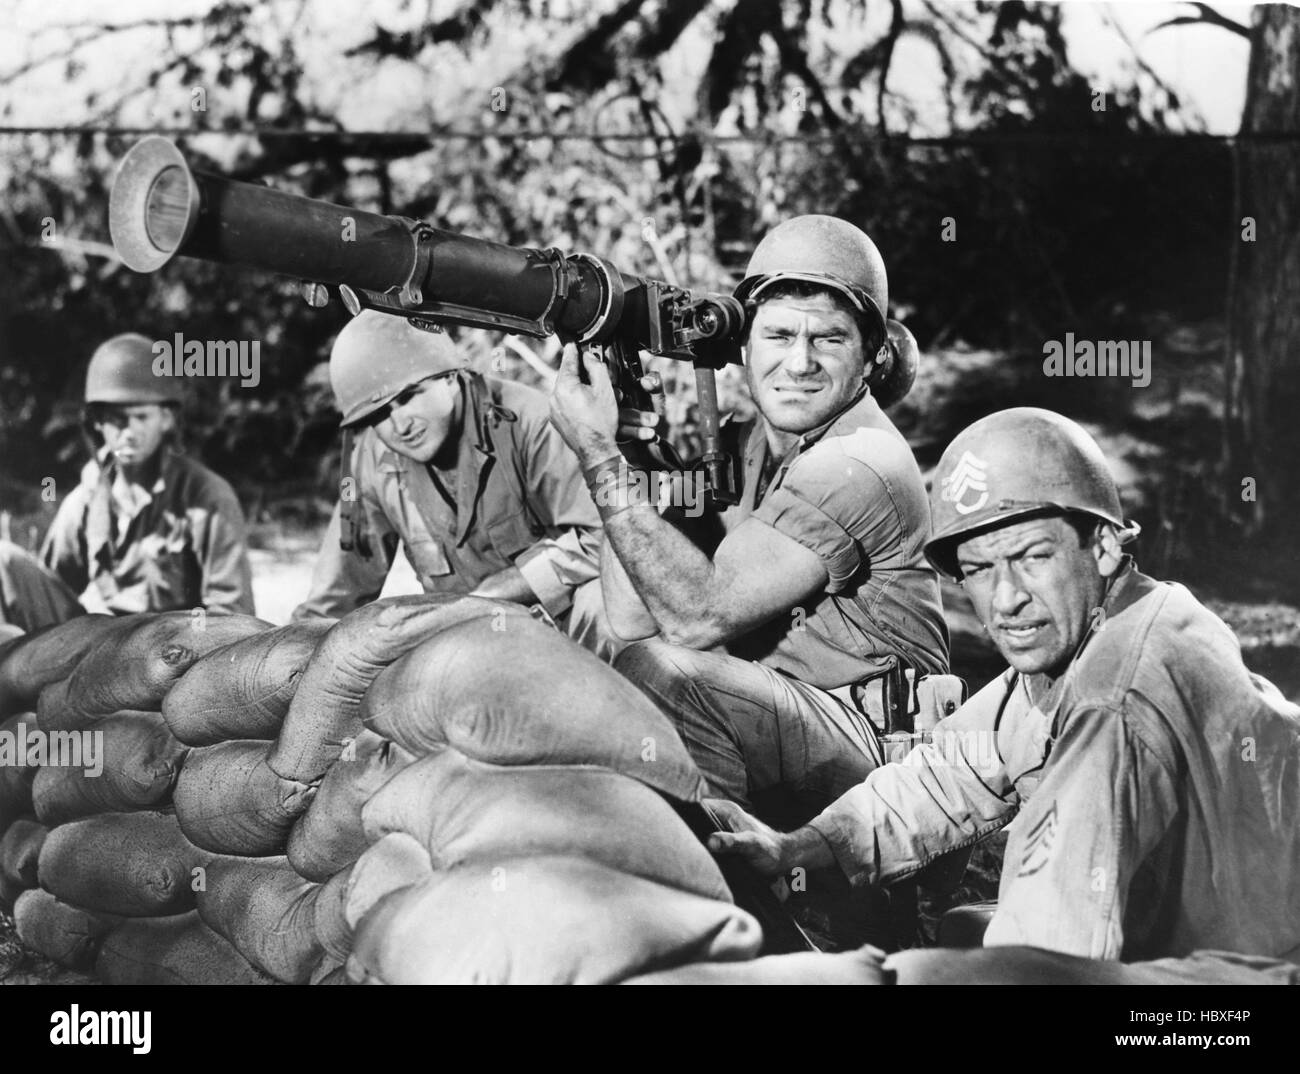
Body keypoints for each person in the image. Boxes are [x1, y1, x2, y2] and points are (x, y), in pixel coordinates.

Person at [708, 406, 1300, 963]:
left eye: (1032, 557)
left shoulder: (1114, 695)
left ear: (1103, 545)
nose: (1008, 599)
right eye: (980, 571)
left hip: (1240, 986)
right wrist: (798, 849)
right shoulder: (1095, 634)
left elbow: (1050, 955)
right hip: (1211, 941)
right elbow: (951, 772)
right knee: (964, 930)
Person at [549, 215, 949, 830]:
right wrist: (627, 453)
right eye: (780, 335)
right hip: (792, 730)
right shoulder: (745, 448)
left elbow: (694, 618)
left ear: (872, 358)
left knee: (667, 674)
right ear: (743, 347)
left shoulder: (858, 459)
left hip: (880, 763)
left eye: (831, 340)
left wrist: (597, 457)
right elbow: (633, 615)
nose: (800, 362)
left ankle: (748, 904)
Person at [293, 311, 606, 649]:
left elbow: (600, 538)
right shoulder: (372, 457)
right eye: (379, 414)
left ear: (449, 377)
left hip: (564, 626)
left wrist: (490, 596)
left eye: (409, 395)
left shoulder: (531, 422)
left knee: (606, 614)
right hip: (464, 644)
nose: (401, 426)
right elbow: (336, 596)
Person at [0, 332, 255, 630]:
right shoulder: (86, 499)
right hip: (96, 644)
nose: (129, 432)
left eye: (141, 417)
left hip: (167, 653)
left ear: (167, 419)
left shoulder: (206, 497)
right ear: (98, 423)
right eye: (117, 419)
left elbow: (234, 615)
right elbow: (53, 587)